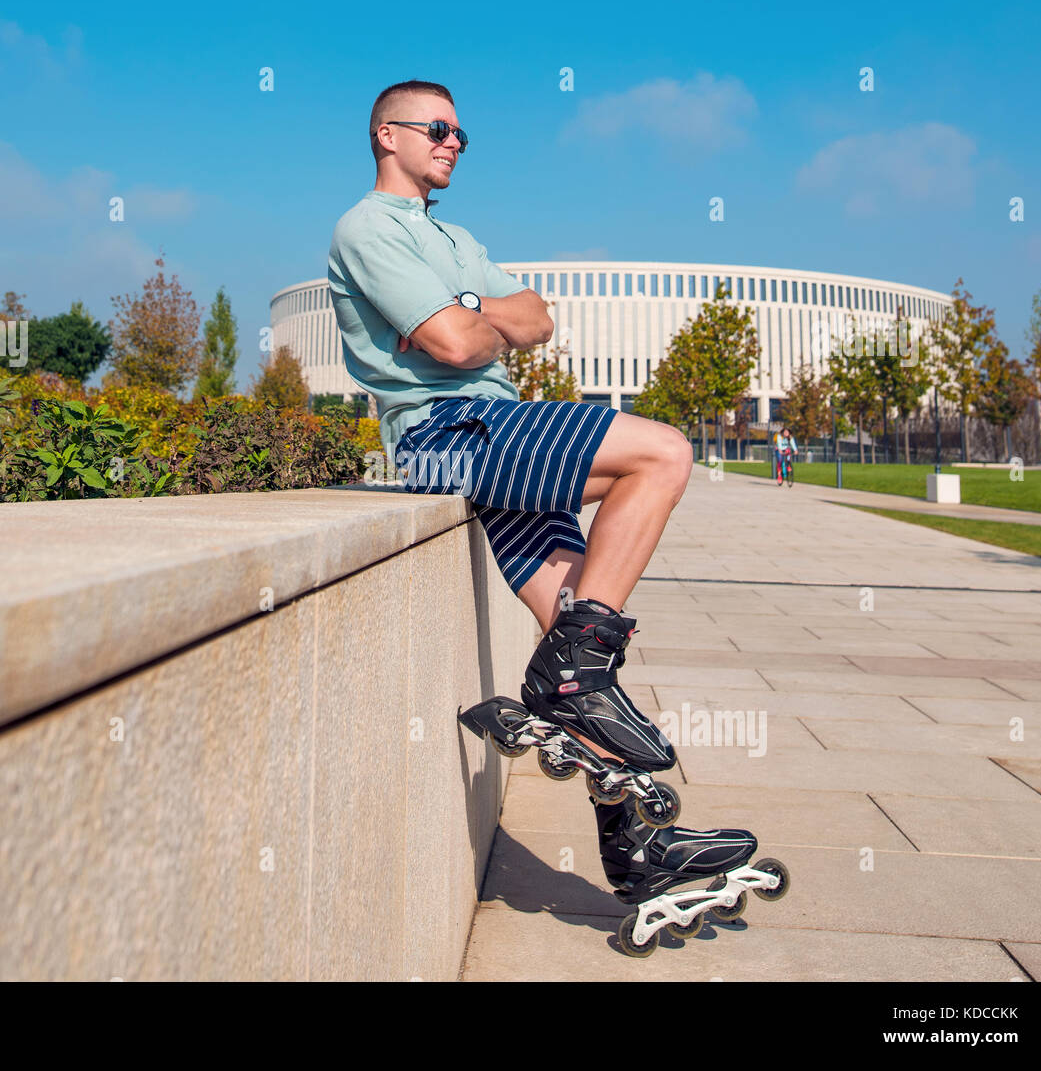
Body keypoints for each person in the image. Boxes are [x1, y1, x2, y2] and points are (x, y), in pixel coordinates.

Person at [328, 81, 772, 947]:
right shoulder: (367, 229)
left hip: (492, 427)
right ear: (388, 134)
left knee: (576, 622)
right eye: (439, 129)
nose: (455, 142)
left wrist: (469, 314)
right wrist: (472, 321)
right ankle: (568, 681)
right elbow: (459, 347)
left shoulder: (454, 237)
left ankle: (638, 853)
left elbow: (538, 319)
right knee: (664, 452)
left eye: (462, 132)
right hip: (451, 432)